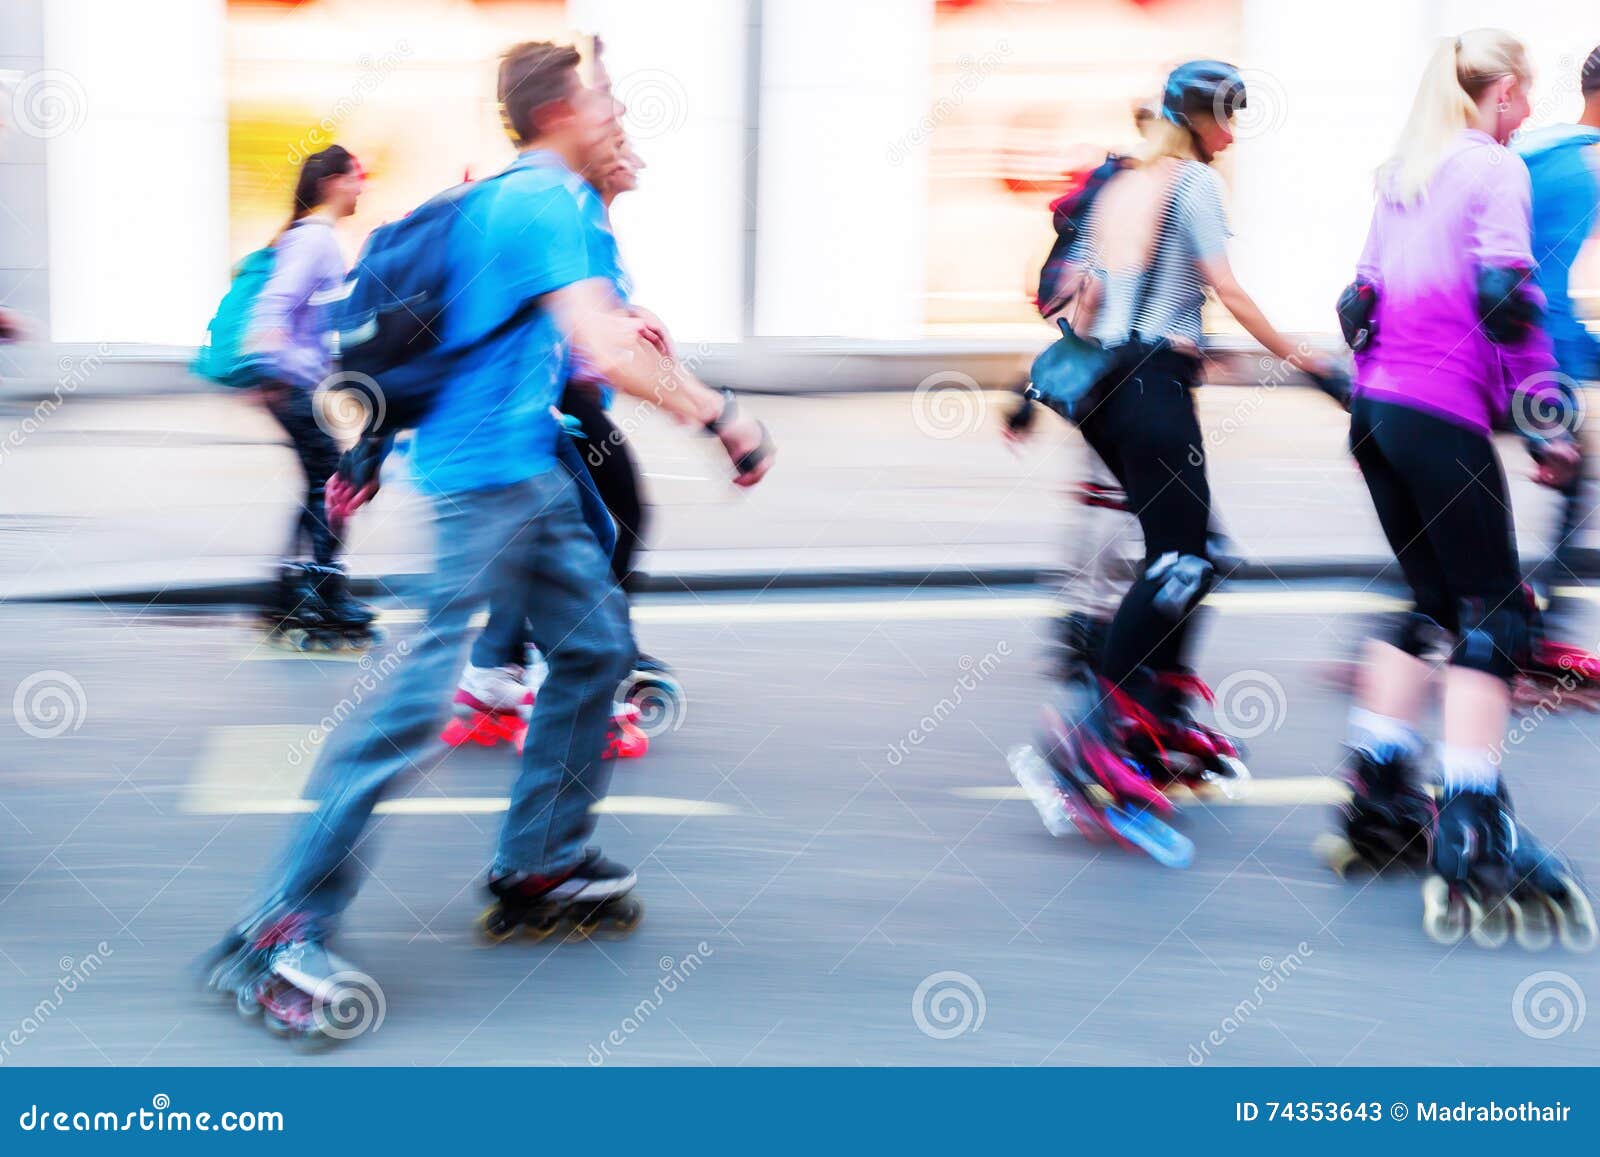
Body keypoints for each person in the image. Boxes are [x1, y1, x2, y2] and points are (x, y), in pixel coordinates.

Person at [201, 40, 775, 1043]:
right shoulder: (539, 200)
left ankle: (539, 860)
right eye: (603, 103)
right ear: (557, 112)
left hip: (530, 473)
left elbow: (566, 341)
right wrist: (721, 416)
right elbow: (602, 347)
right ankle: (280, 923)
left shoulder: (556, 204)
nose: (619, 119)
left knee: (594, 647)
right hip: (478, 484)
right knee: (414, 702)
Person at [1013, 61, 1333, 862]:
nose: (1233, 134)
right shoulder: (1192, 182)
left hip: (1106, 392)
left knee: (1199, 552)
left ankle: (1153, 710)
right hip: (1152, 390)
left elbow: (1082, 299)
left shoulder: (1122, 181)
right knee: (1181, 560)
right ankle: (1089, 737)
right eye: (1228, 117)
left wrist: (1026, 392)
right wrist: (1311, 363)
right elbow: (1228, 287)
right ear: (1197, 119)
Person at [1319, 29, 1593, 951]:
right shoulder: (1493, 168)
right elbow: (1506, 298)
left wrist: (1382, 412)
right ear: (1504, 90)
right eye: (1527, 93)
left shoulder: (1405, 167)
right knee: (1496, 615)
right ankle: (1471, 819)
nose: (1528, 111)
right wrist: (1548, 422)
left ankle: (1375, 790)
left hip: (1378, 411)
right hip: (1436, 413)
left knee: (1431, 599)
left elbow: (1358, 301)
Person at [245, 145, 378, 647]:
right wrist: (271, 365)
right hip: (294, 383)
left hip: (295, 383)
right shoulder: (316, 238)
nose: (361, 187)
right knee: (335, 483)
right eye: (355, 177)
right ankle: (325, 592)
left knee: (318, 484)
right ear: (330, 183)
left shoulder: (310, 236)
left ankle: (289, 590)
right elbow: (278, 300)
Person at [1518, 45, 1600, 631]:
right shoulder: (1580, 171)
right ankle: (1544, 634)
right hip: (1520, 358)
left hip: (1467, 351)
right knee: (1574, 479)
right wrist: (1572, 372)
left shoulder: (1539, 148)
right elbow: (1544, 289)